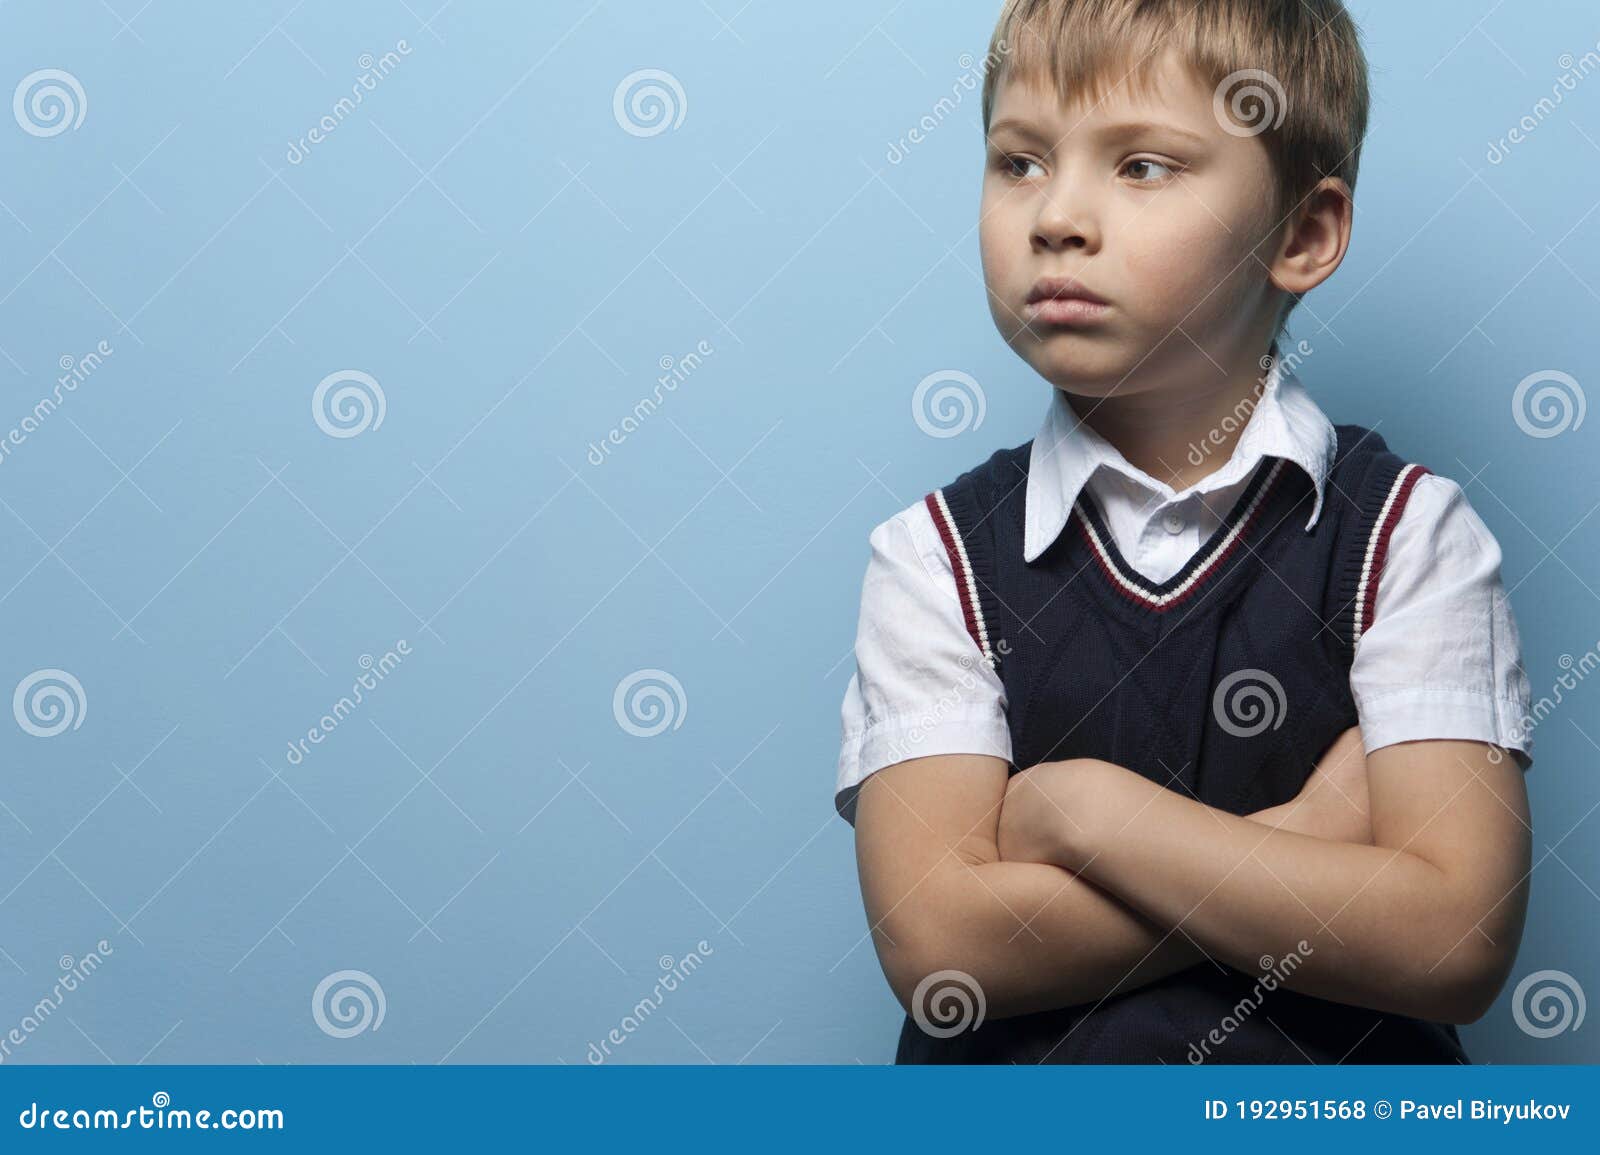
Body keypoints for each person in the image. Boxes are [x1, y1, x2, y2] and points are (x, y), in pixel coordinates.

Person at [835, 0, 1535, 1064]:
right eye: (1018, 161)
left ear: (1300, 234)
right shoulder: (933, 558)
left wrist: (1084, 815)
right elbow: (943, 957)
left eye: (1143, 166)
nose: (1055, 216)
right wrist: (1306, 842)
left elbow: (1454, 942)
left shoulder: (1405, 535)